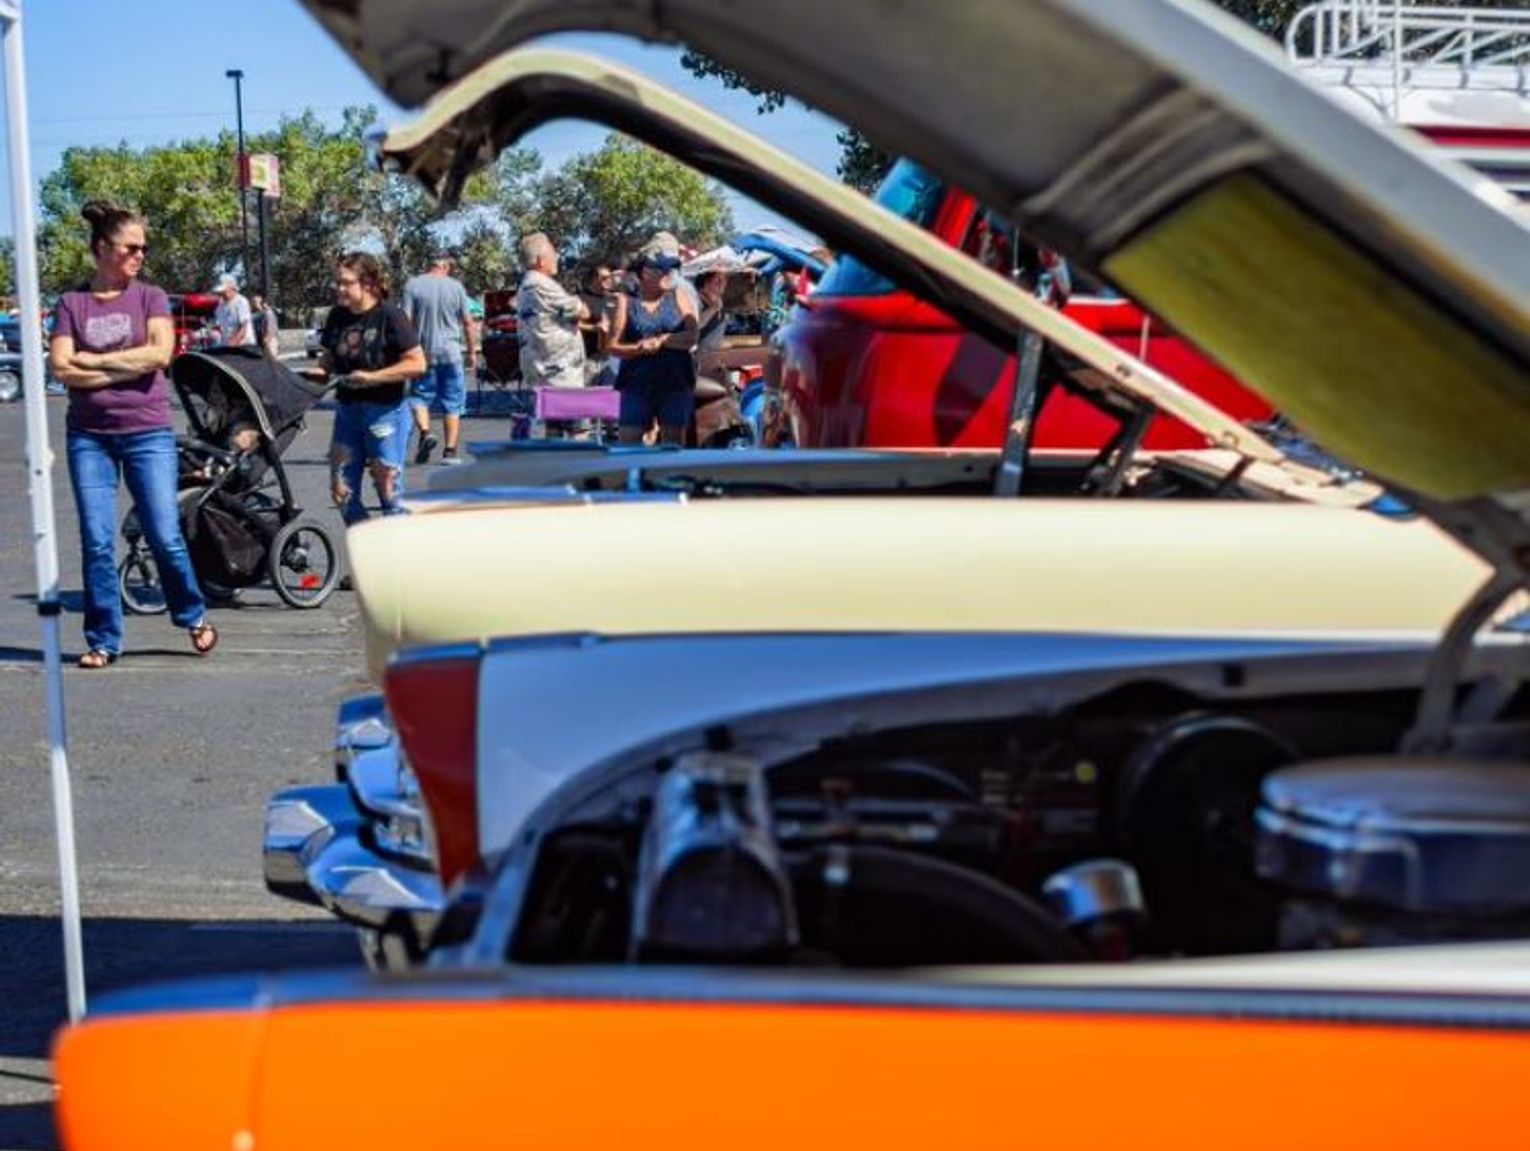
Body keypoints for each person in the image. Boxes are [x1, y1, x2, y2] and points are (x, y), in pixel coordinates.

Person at [47, 200, 217, 668]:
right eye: (131, 248)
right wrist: (125, 366)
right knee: (97, 540)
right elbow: (61, 367)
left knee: (164, 533)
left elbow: (159, 355)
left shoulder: (150, 297)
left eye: (144, 248)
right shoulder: (72, 303)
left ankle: (192, 615)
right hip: (89, 438)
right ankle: (103, 639)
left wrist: (95, 362)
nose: (140, 255)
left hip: (147, 432)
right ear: (103, 248)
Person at [310, 252, 426, 524]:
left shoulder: (390, 316)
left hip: (385, 413)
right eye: (338, 282)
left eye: (346, 283)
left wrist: (374, 377)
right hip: (347, 412)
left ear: (369, 284)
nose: (340, 288)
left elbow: (417, 363)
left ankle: (398, 546)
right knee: (341, 491)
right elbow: (330, 356)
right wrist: (318, 372)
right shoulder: (337, 316)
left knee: (389, 492)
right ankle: (368, 544)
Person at [609, 232, 699, 445]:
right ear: (646, 272)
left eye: (671, 269)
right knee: (627, 444)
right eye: (663, 269)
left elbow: (692, 335)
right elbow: (612, 346)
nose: (669, 274)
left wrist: (663, 341)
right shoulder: (626, 301)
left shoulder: (679, 295)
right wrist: (639, 349)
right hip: (636, 385)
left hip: (674, 383)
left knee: (672, 447)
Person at [401, 253, 478, 465]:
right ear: (446, 267)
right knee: (453, 402)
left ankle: (426, 432)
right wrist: (472, 352)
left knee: (418, 397)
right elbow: (468, 323)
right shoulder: (456, 287)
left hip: (423, 353)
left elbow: (405, 321)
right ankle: (450, 451)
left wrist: (404, 352)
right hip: (451, 353)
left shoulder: (413, 285)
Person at [515, 232, 587, 389]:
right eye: (553, 254)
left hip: (541, 367)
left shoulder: (526, 285)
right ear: (541, 261)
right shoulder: (543, 285)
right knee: (566, 406)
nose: (557, 258)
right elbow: (582, 312)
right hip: (558, 372)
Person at [577, 263, 617, 385]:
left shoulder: (613, 299)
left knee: (609, 393)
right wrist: (593, 328)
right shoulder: (581, 299)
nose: (608, 281)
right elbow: (572, 325)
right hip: (589, 357)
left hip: (610, 358)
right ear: (594, 279)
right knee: (589, 392)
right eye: (604, 278)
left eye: (610, 277)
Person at [211, 273, 253, 347]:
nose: (221, 294)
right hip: (226, 346)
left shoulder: (241, 302)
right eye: (220, 292)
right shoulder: (219, 306)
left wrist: (232, 344)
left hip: (244, 345)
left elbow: (243, 327)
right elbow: (217, 326)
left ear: (233, 289)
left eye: (224, 291)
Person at [250, 291, 280, 358]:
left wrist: (266, 342)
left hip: (267, 344)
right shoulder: (254, 315)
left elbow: (271, 331)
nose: (254, 304)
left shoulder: (268, 313)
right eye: (253, 302)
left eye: (256, 302)